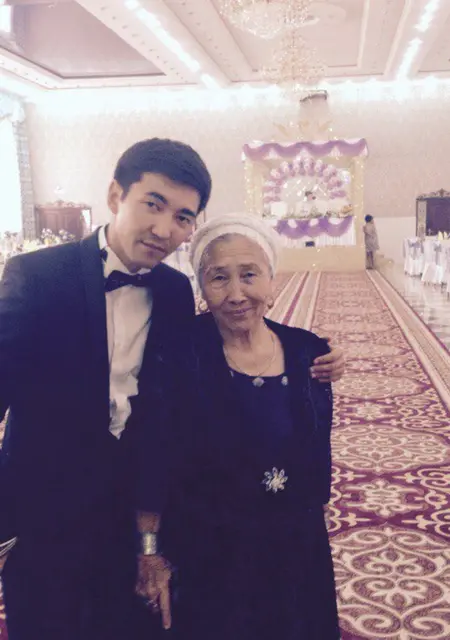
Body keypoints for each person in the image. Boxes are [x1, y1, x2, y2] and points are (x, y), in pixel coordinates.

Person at [0, 140, 344, 639]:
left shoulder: (173, 290)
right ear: (116, 195)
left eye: (183, 217)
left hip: (132, 504)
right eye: (153, 205)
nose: (165, 229)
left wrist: (321, 357)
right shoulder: (37, 276)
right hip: (48, 507)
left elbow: (184, 392)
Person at [150, 214, 340, 639]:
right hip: (211, 548)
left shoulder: (306, 350)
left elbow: (314, 441)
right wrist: (153, 549)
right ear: (202, 287)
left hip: (295, 542)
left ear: (271, 280)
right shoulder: (178, 353)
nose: (236, 294)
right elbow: (156, 453)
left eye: (249, 275)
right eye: (219, 278)